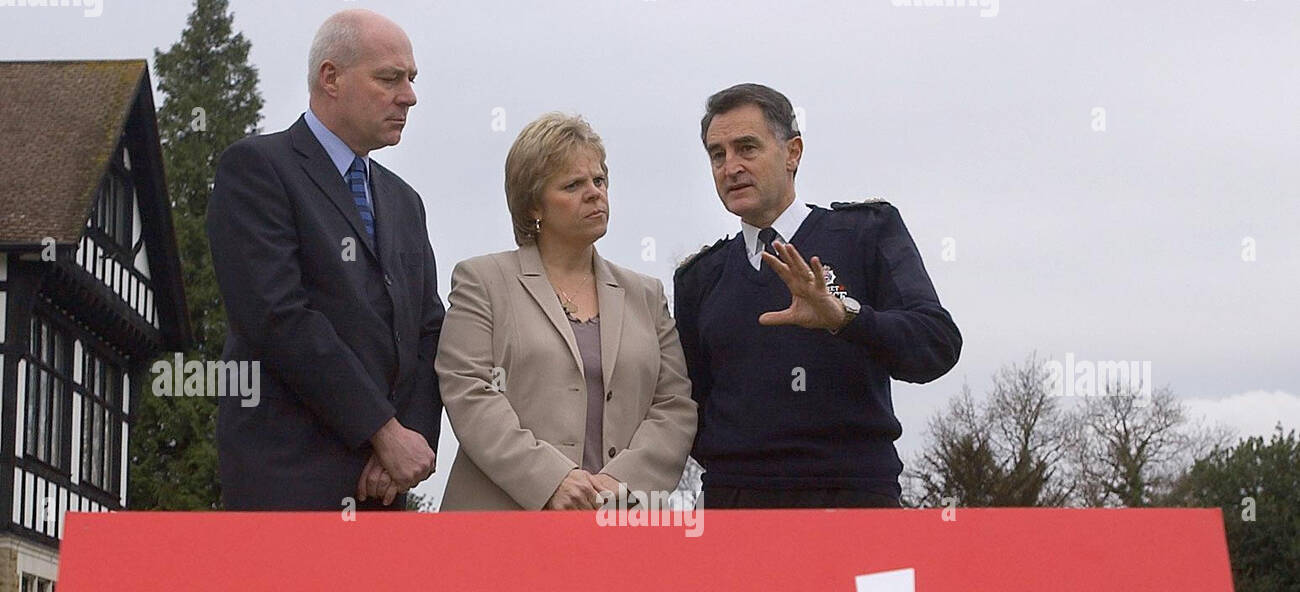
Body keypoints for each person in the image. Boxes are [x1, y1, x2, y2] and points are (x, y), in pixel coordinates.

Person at [674, 83, 962, 509]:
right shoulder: (700, 278)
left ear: (793, 152)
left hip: (854, 502)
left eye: (746, 148)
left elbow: (935, 346)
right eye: (718, 155)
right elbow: (688, 404)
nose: (730, 167)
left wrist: (844, 317)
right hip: (735, 509)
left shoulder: (867, 233)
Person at [207, 9, 442, 510]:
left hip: (383, 486)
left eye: (412, 79)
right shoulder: (257, 170)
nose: (409, 95)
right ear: (330, 77)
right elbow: (277, 316)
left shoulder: (405, 201)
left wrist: (408, 443)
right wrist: (382, 431)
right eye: (389, 78)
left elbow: (427, 329)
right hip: (287, 482)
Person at [436, 113, 696, 511]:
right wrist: (550, 479)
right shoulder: (482, 280)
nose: (594, 193)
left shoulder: (647, 294)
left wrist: (620, 482)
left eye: (599, 180)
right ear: (533, 206)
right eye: (573, 185)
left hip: (620, 527)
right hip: (498, 527)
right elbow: (470, 391)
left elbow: (674, 405)